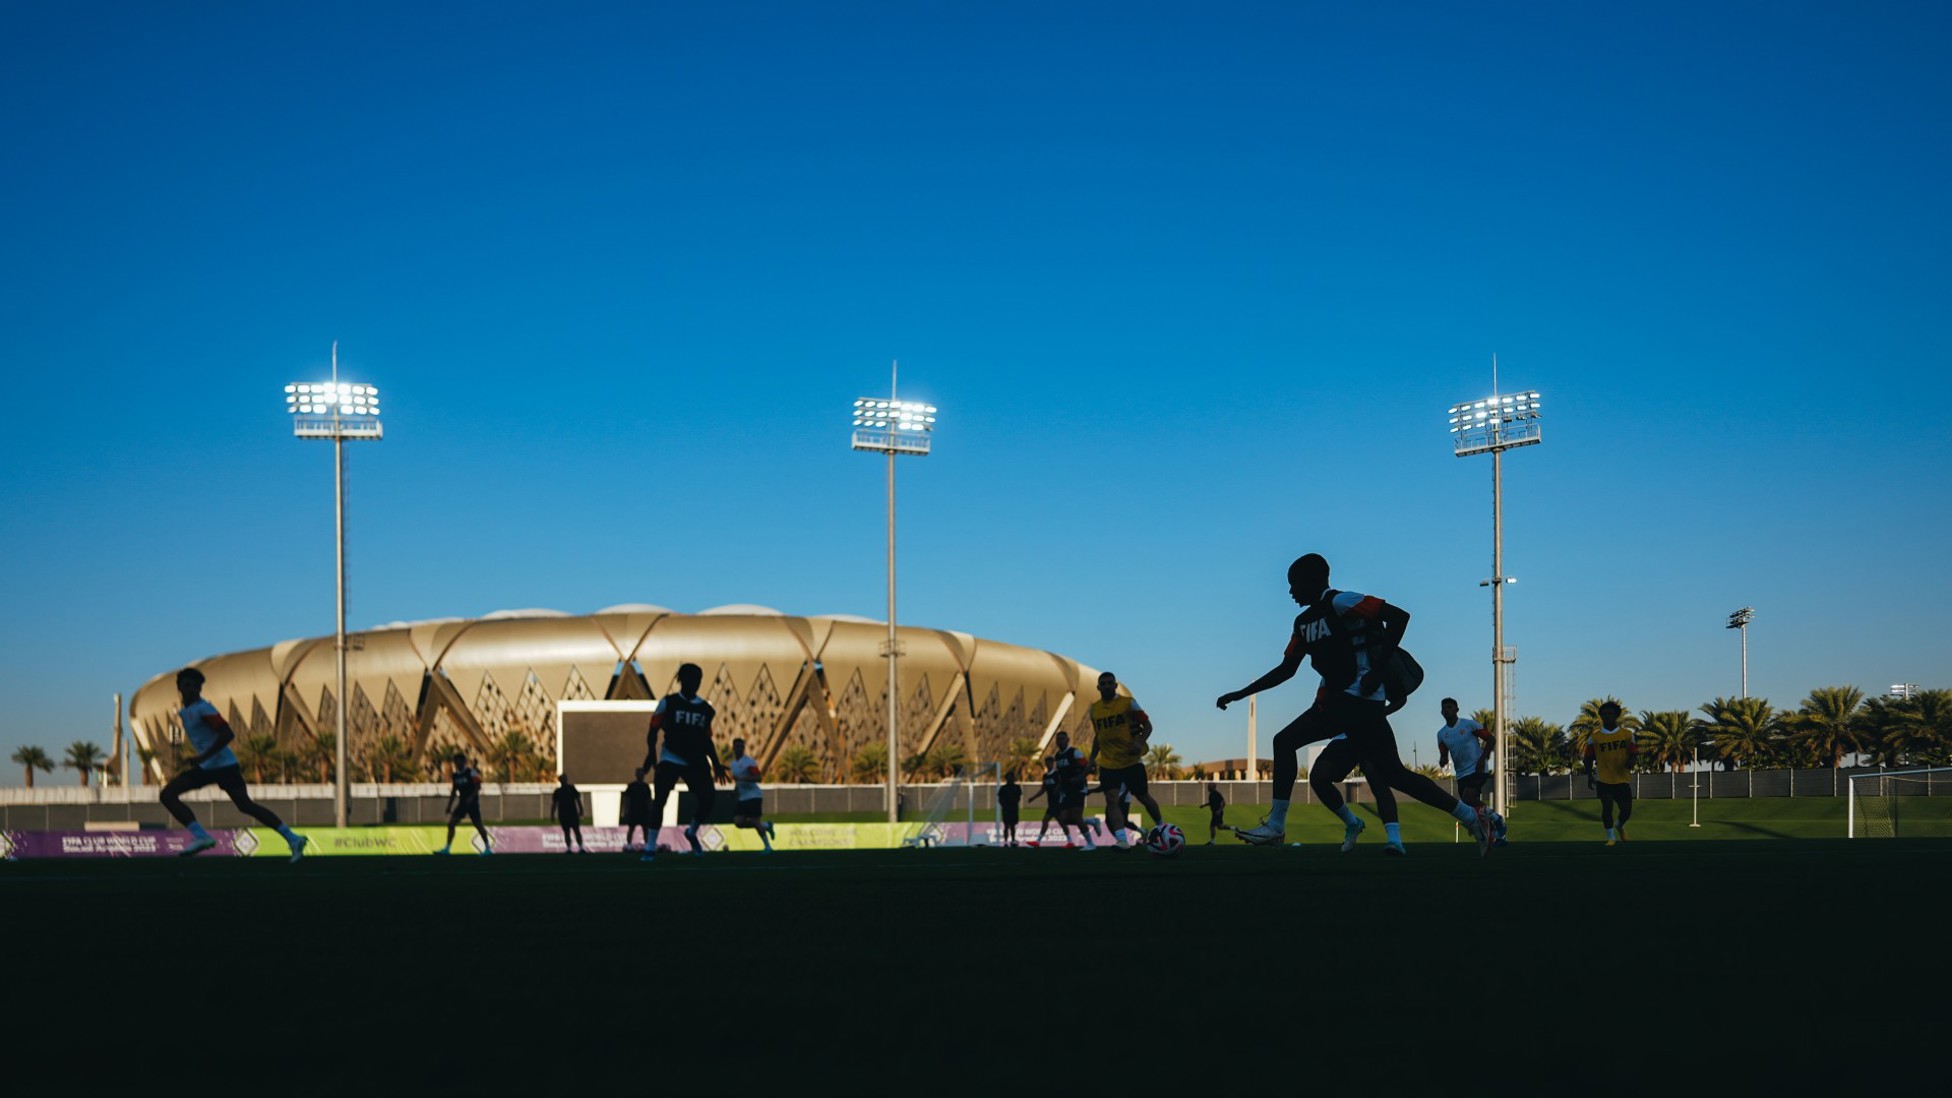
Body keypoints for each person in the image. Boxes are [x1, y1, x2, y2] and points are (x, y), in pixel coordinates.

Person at [1215, 553, 1491, 853]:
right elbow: (1287, 669)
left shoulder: (1342, 602)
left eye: (1295, 584)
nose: (1291, 591)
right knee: (1395, 775)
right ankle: (1470, 817)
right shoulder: (1303, 622)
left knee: (1284, 741)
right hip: (1352, 707)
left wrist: (1377, 669)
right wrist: (1240, 693)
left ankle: (1276, 826)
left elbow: (1400, 617)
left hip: (1357, 700)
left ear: (1315, 579)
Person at [160, 668, 307, 861]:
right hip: (210, 767)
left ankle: (202, 836)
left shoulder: (204, 709)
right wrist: (203, 759)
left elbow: (228, 733)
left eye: (196, 686)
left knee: (171, 795)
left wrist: (203, 757)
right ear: (179, 687)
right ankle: (292, 838)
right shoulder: (186, 711)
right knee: (169, 795)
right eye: (188, 685)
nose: (192, 689)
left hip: (223, 767)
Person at [640, 662, 728, 861]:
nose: (694, 683)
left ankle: (692, 831)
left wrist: (715, 762)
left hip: (695, 759)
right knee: (660, 799)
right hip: (671, 756)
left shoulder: (706, 709)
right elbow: (652, 730)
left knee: (708, 798)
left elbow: (706, 739)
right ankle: (651, 846)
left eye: (697, 679)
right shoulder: (668, 702)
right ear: (681, 680)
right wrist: (651, 754)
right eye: (690, 678)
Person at [1087, 671, 1165, 847]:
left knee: (1144, 796)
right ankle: (1122, 840)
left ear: (1115, 685)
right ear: (1098, 687)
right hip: (1108, 763)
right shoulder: (1095, 709)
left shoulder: (1128, 703)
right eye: (1103, 683)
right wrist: (1092, 758)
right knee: (1111, 799)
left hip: (1130, 760)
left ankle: (1162, 827)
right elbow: (1098, 736)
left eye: (1110, 683)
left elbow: (1148, 726)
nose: (1106, 686)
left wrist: (1139, 742)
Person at [1308, 732, 1405, 854]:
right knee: (1318, 778)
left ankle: (1395, 840)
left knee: (1377, 779)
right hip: (1343, 737)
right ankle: (1352, 823)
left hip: (1370, 735)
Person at [1436, 698, 1506, 846]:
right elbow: (1444, 754)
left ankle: (1497, 819)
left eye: (1450, 707)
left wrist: (1483, 757)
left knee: (1468, 798)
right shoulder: (1442, 734)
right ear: (1441, 712)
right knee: (1472, 807)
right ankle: (1499, 836)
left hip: (1477, 768)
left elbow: (1491, 739)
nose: (1446, 710)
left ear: (1456, 709)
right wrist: (1442, 760)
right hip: (1461, 774)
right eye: (1444, 708)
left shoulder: (1469, 725)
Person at [1583, 701, 1638, 845]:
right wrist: (1589, 776)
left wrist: (1632, 761)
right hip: (1604, 779)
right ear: (1600, 716)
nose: (1607, 716)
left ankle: (1619, 826)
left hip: (1622, 779)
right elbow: (1587, 758)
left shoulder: (1627, 734)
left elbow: (1633, 753)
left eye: (1610, 713)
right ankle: (1611, 837)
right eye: (1604, 714)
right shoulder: (1594, 738)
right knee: (1607, 807)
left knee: (1626, 811)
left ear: (1617, 715)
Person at [435, 752, 492, 855]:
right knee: (451, 824)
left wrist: (472, 797)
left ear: (463, 762)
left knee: (479, 825)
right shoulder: (455, 776)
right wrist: (449, 806)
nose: (457, 764)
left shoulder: (471, 772)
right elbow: (454, 791)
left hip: (472, 804)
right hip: (462, 804)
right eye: (455, 762)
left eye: (459, 761)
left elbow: (478, 786)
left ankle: (488, 848)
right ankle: (447, 848)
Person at [1050, 731, 1097, 851]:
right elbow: (1061, 774)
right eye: (1058, 739)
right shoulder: (1058, 756)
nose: (1060, 741)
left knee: (1076, 815)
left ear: (1068, 740)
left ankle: (1091, 844)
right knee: (1063, 818)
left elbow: (1090, 768)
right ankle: (1091, 821)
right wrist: (1058, 786)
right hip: (1066, 789)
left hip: (1078, 788)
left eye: (1062, 739)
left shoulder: (1075, 753)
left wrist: (1079, 778)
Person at [728, 738, 777, 852]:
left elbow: (758, 777)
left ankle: (768, 847)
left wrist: (742, 778)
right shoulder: (733, 764)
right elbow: (738, 782)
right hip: (742, 797)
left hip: (753, 796)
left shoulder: (748, 762)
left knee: (755, 821)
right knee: (738, 822)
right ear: (733, 748)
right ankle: (766, 826)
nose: (739, 749)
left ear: (744, 748)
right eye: (737, 747)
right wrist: (734, 792)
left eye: (741, 747)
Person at [1026, 761, 1064, 846]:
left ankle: (1038, 841)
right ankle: (1038, 841)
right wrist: (1033, 797)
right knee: (1061, 822)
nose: (1048, 764)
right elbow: (1043, 789)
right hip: (1051, 803)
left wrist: (1057, 789)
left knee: (1057, 821)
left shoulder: (1057, 774)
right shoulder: (1046, 776)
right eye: (1047, 763)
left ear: (1052, 763)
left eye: (1049, 762)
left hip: (1058, 802)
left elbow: (1062, 783)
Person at [552, 773, 588, 853]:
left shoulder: (571, 789)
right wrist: (552, 814)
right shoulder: (558, 791)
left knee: (576, 831)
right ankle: (569, 848)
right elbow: (554, 804)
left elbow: (578, 800)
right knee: (567, 832)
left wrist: (581, 810)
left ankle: (581, 847)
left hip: (573, 813)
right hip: (563, 814)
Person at [621, 767, 654, 851]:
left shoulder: (646, 786)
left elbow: (649, 799)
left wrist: (650, 810)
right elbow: (626, 798)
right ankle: (629, 845)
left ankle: (647, 845)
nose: (640, 775)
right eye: (639, 773)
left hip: (644, 811)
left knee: (645, 828)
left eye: (642, 774)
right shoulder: (631, 786)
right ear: (636, 775)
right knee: (631, 828)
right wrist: (626, 810)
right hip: (633, 810)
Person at [998, 772, 1023, 846]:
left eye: (1011, 777)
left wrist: (1014, 803)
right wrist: (1004, 805)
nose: (1010, 779)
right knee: (1006, 825)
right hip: (1006, 809)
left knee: (1013, 825)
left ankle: (1013, 840)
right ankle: (1005, 841)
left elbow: (1019, 797)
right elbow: (1000, 799)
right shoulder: (1003, 788)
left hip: (1014, 808)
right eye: (1008, 777)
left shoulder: (1017, 787)